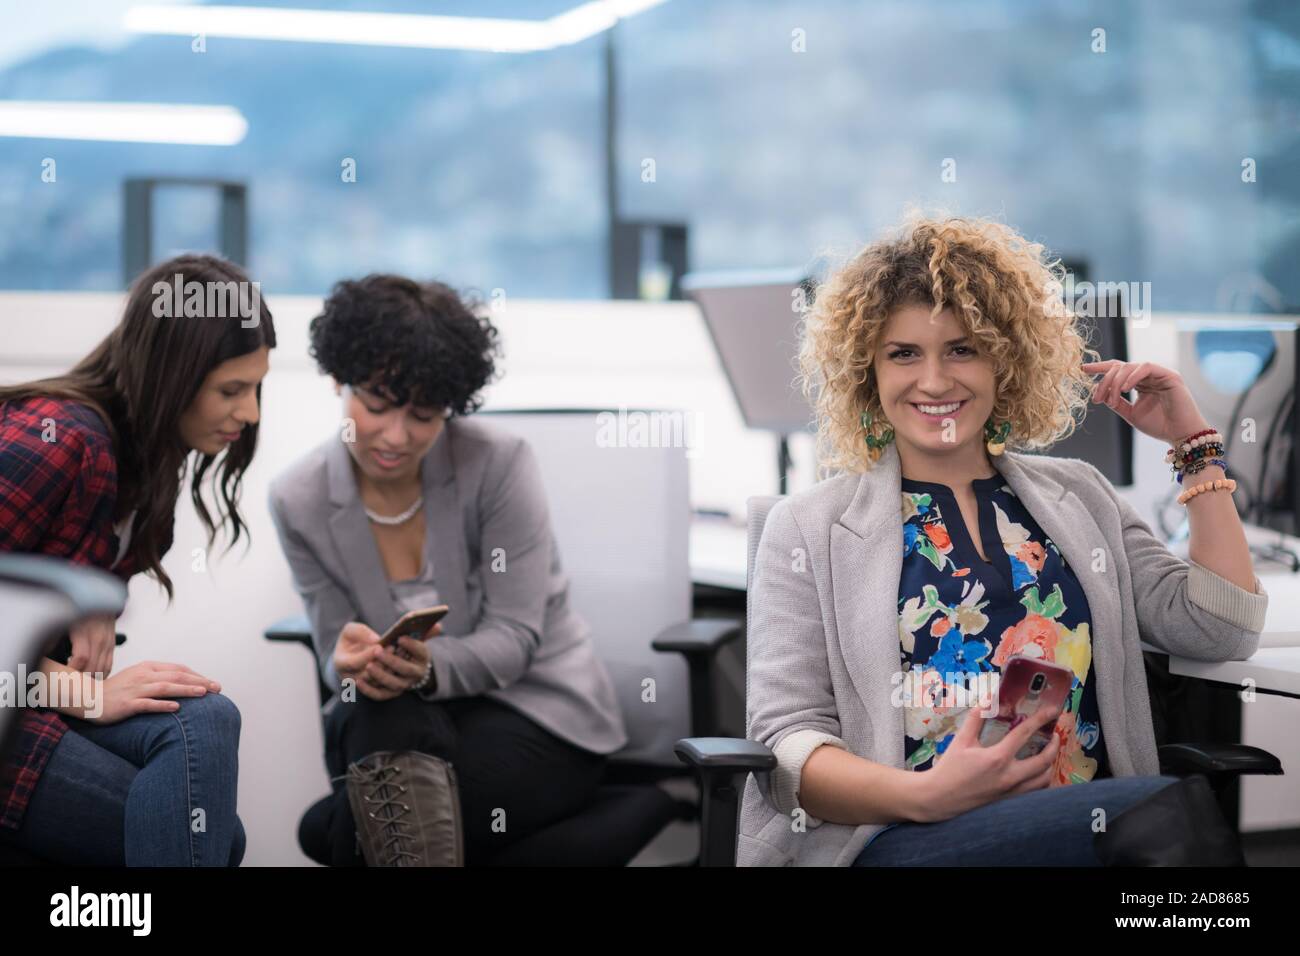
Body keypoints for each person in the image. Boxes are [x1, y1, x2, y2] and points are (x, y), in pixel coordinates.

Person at [738, 215, 1269, 866]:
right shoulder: (810, 527)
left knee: (1156, 817)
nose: (934, 381)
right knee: (1165, 815)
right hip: (904, 836)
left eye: (962, 349)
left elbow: (1219, 628)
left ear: (1004, 359)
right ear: (866, 373)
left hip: (1088, 823)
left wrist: (1194, 447)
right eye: (903, 353)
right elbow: (788, 747)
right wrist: (925, 795)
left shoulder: (1082, 497)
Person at [269, 273, 627, 866]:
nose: (396, 436)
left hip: (538, 713)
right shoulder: (298, 499)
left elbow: (515, 639)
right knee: (375, 717)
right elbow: (338, 652)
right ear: (338, 378)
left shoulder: (498, 464)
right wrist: (347, 661)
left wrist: (426, 667)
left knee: (337, 830)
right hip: (407, 722)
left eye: (424, 416)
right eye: (376, 406)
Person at [0, 253, 274, 866]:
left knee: (206, 715)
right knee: (216, 841)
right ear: (171, 374)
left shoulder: (142, 462)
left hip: (31, 704)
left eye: (256, 387)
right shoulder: (57, 435)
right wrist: (82, 691)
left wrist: (88, 592)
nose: (251, 412)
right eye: (231, 390)